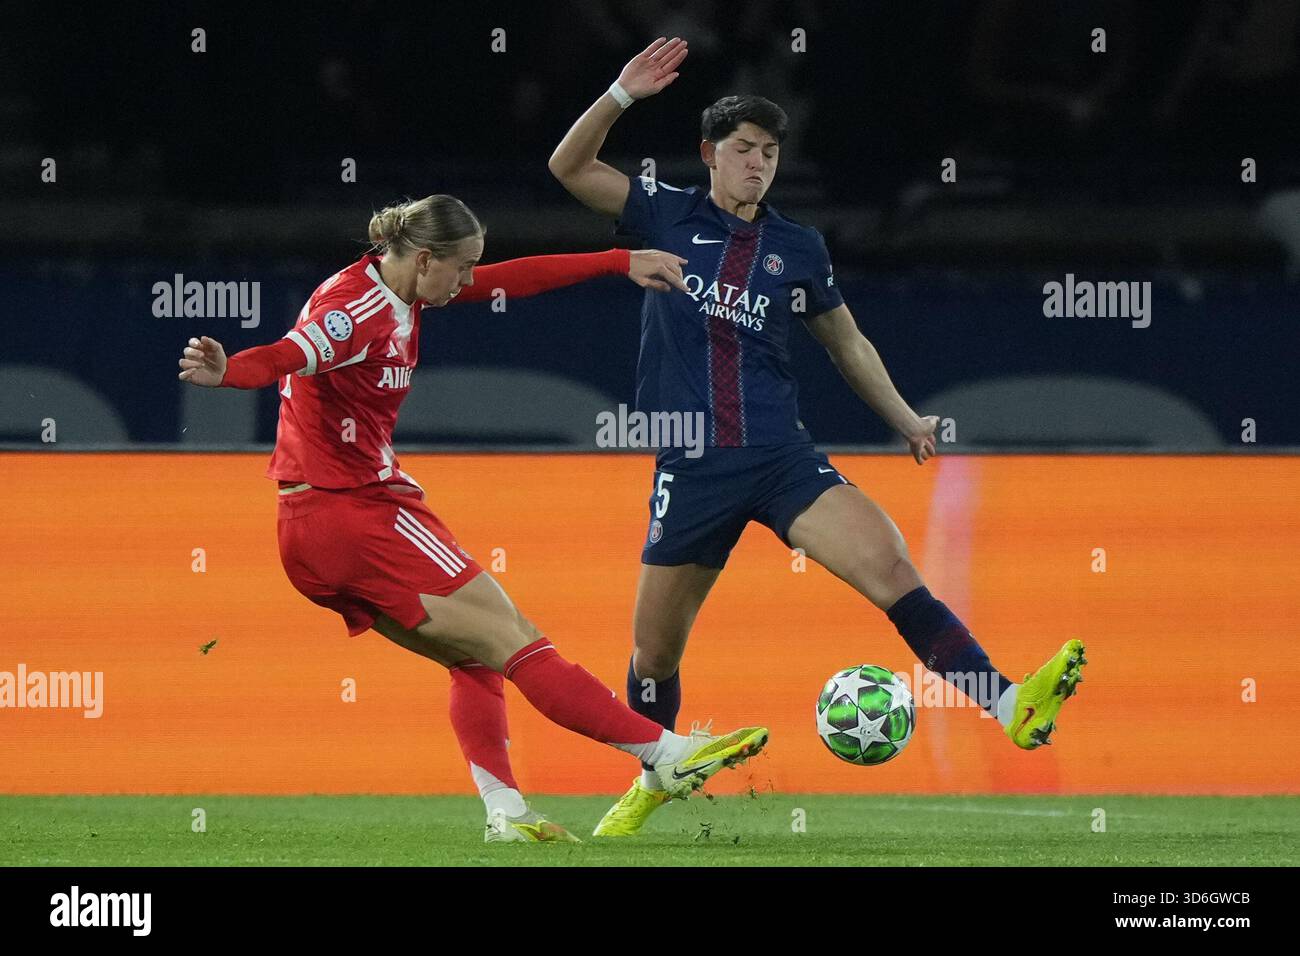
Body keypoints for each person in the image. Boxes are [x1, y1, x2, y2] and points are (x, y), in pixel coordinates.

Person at [548, 38, 1086, 837]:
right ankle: (654, 770)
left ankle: (1010, 703)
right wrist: (623, 94)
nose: (757, 165)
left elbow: (846, 343)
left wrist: (904, 419)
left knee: (892, 567)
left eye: (769, 152)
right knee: (654, 656)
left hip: (781, 457)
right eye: (742, 151)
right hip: (692, 465)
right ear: (710, 155)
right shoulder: (663, 210)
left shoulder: (798, 247)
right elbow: (567, 167)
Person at [177, 194, 768, 843]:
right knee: (517, 639)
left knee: (475, 659)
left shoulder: (400, 284)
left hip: (313, 525)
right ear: (426, 258)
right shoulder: (357, 312)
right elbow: (286, 354)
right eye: (460, 270)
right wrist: (229, 370)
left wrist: (616, 260)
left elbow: (509, 280)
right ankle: (665, 754)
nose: (467, 284)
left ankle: (507, 815)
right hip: (354, 514)